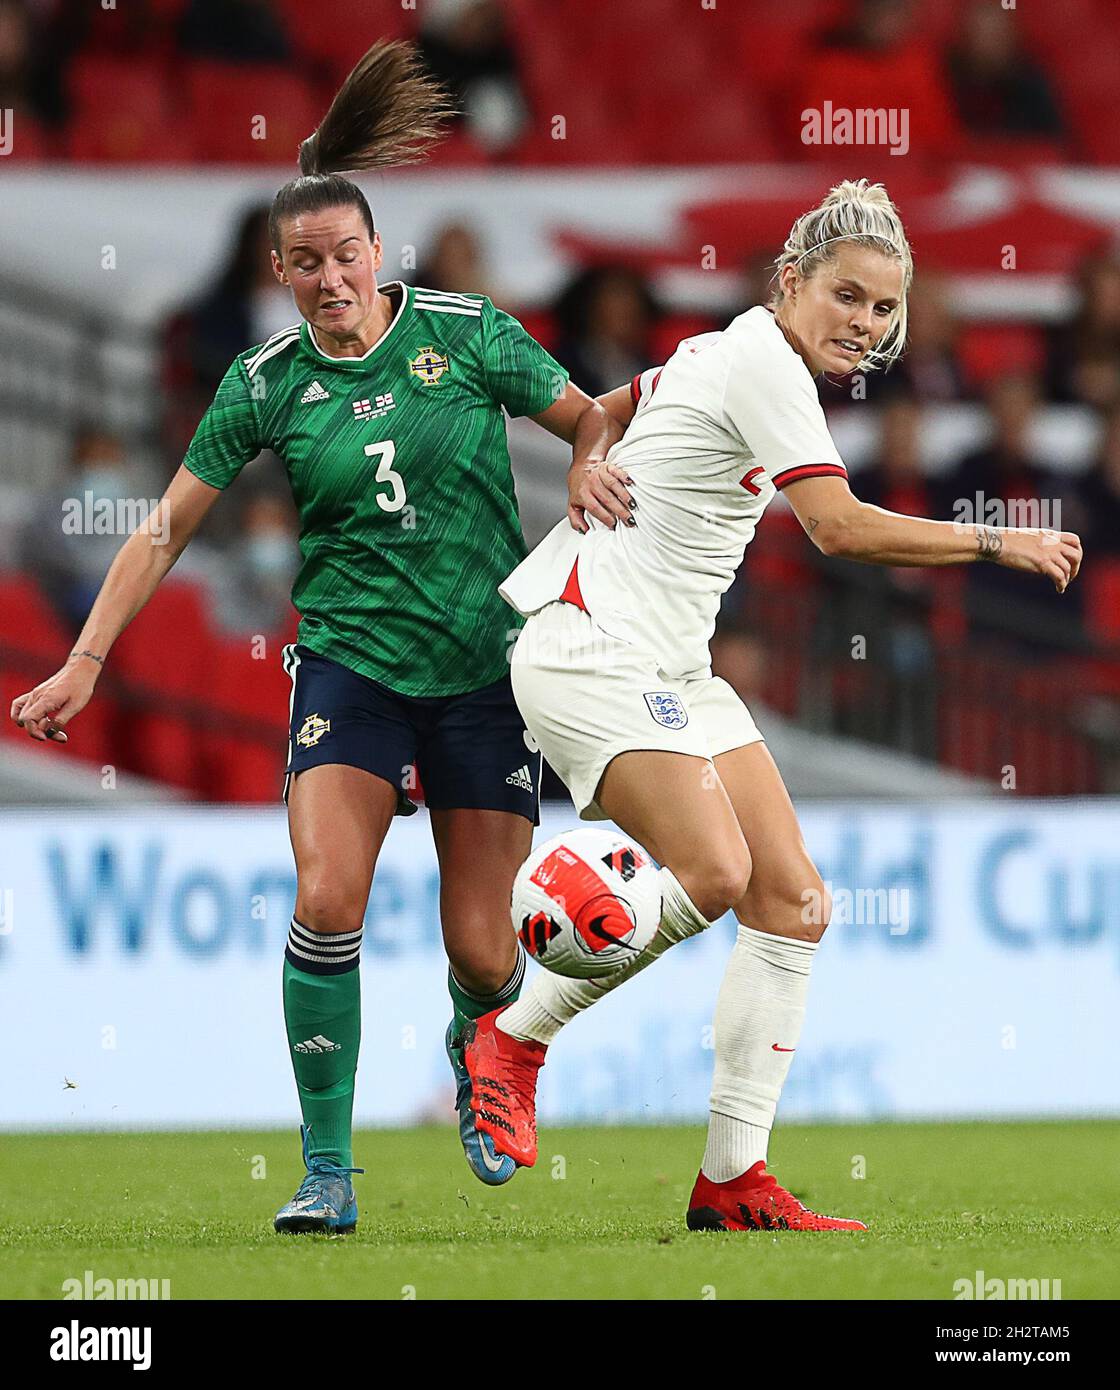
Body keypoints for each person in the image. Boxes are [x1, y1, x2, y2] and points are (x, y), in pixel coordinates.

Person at [9, 41, 633, 1234]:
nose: (331, 278)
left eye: (346, 255)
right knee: (327, 894)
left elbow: (588, 416)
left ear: (373, 253)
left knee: (484, 947)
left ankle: (478, 1045)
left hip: (482, 670)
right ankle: (328, 1169)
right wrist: (86, 657)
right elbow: (160, 532)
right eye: (307, 264)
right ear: (281, 274)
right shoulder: (261, 382)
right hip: (349, 665)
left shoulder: (468, 333)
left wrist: (596, 458)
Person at [459, 179, 1083, 1233]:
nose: (865, 325)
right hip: (588, 647)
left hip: (668, 664)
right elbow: (835, 528)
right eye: (847, 296)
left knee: (791, 902)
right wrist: (993, 540)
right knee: (713, 869)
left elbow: (614, 403)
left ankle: (732, 1178)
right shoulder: (762, 362)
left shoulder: (726, 348)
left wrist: (590, 451)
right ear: (791, 282)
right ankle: (513, 1036)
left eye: (884, 310)